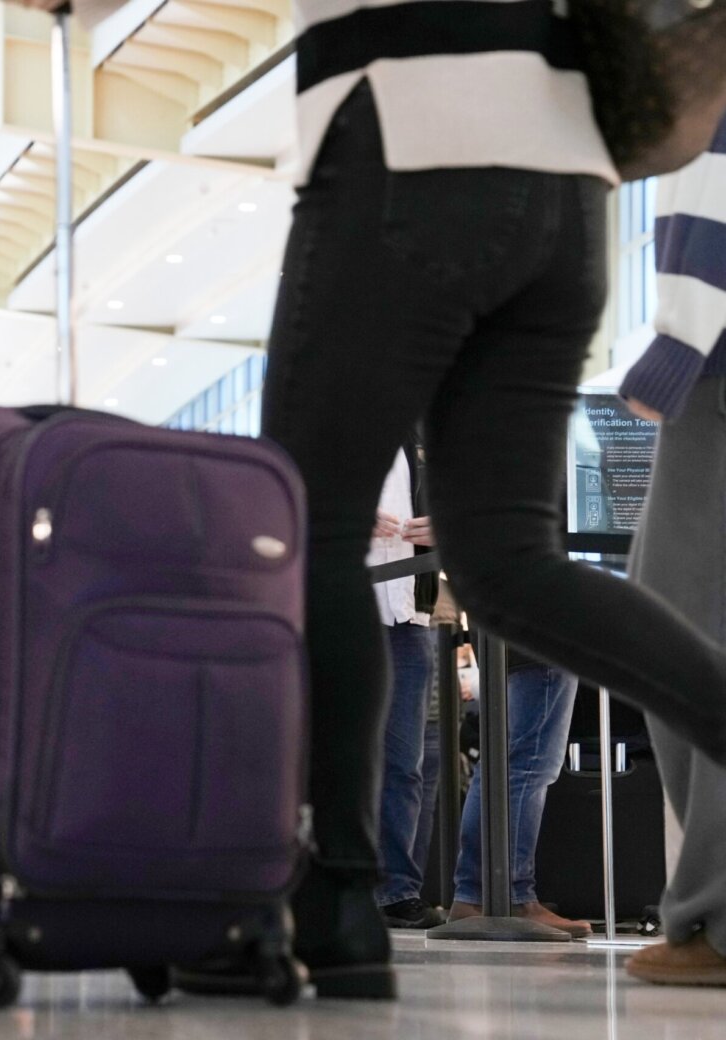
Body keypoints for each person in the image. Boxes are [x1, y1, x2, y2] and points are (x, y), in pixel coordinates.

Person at [179, 0, 726, 1002]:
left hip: (407, 136)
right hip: (569, 182)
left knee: (315, 533)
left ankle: (331, 905)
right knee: (509, 565)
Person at [622, 116, 726, 986]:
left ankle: (719, 921)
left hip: (718, 386)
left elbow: (715, 199)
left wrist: (671, 357)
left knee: (677, 632)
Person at [446, 655, 587, 938]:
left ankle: (475, 894)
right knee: (529, 763)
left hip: (515, 643)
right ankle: (513, 897)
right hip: (540, 640)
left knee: (505, 762)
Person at [370, 438, 442, 929]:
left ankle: (397, 891)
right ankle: (335, 886)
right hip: (347, 604)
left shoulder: (419, 440)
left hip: (409, 614)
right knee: (339, 758)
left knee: (405, 765)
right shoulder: (331, 428)